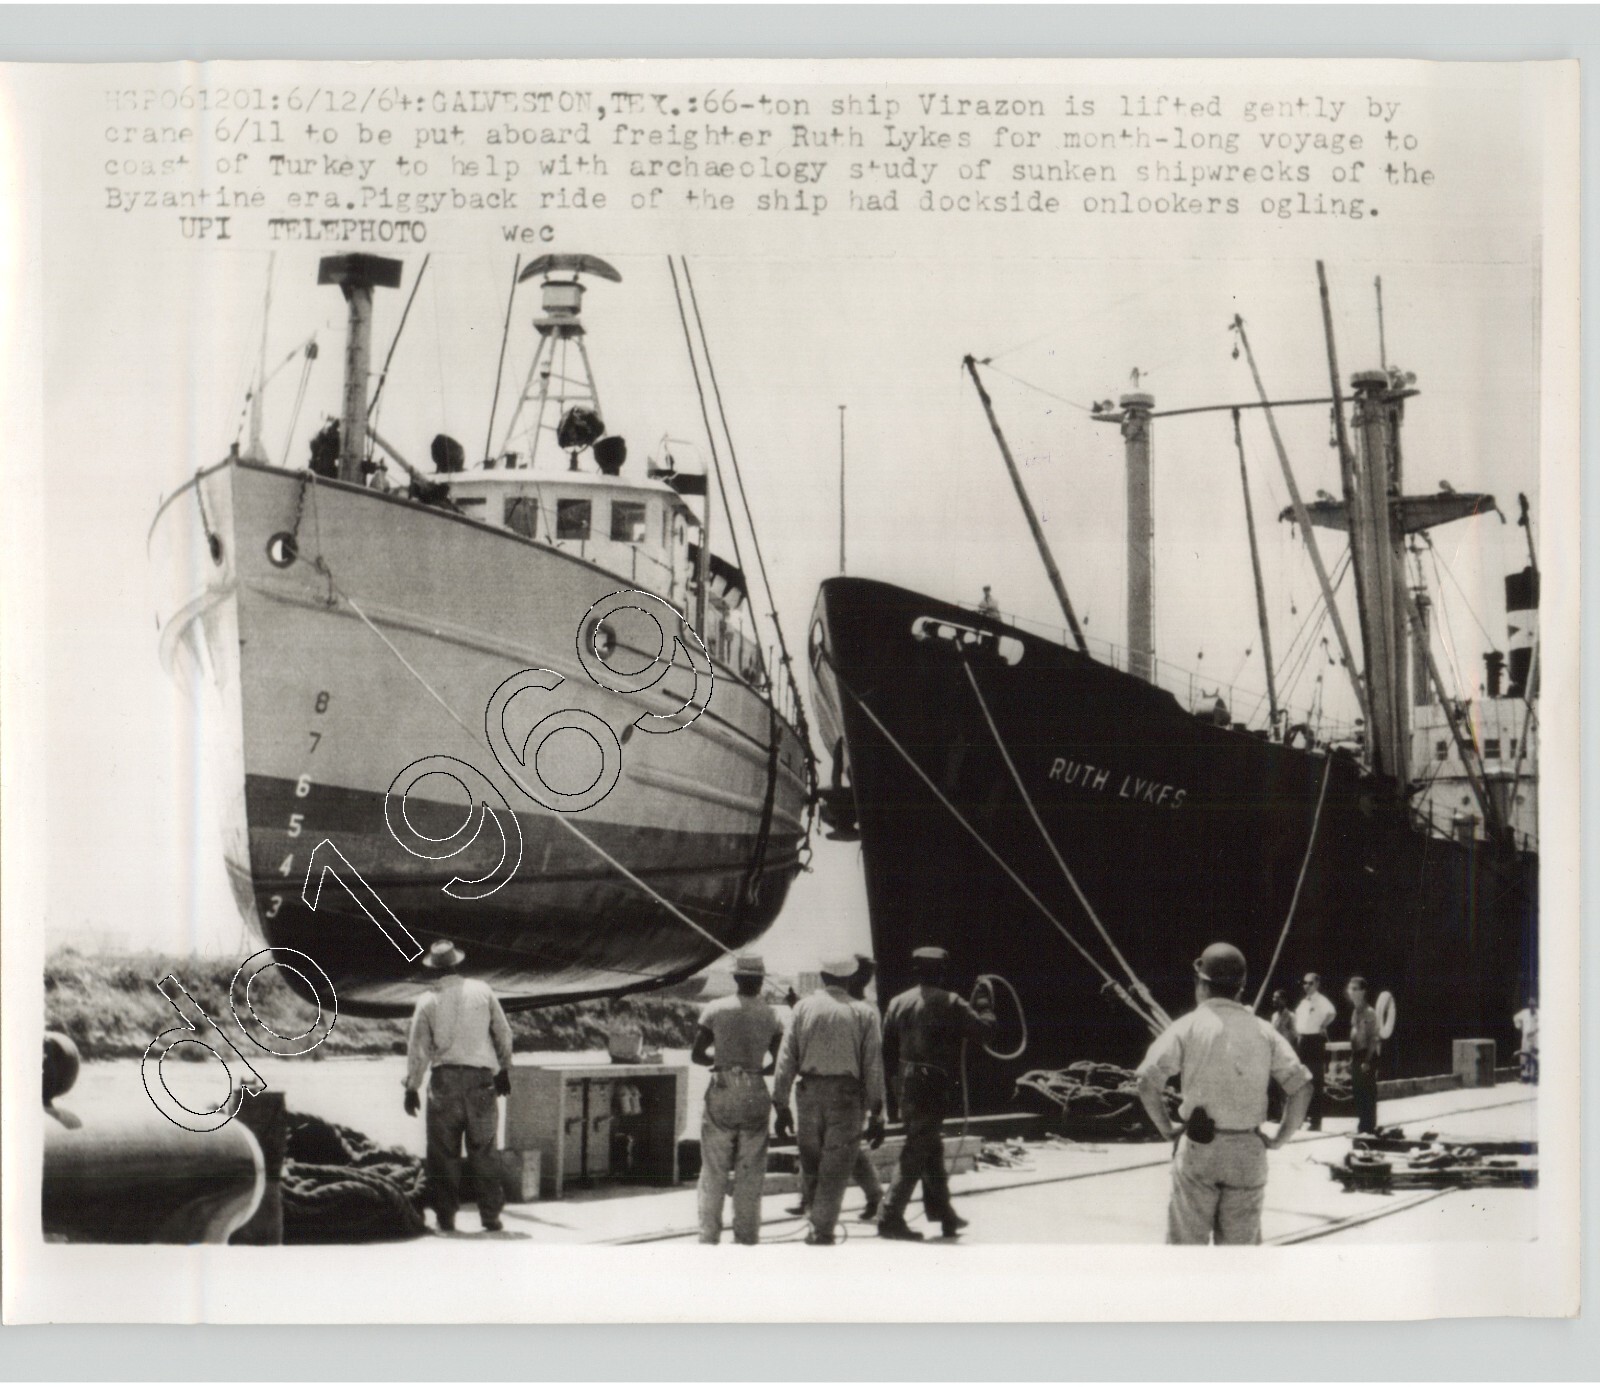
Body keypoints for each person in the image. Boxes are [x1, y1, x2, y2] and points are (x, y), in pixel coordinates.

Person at [1135, 942, 1313, 1245]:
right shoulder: (1263, 1030)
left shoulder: (1187, 1026)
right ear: (1241, 987)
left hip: (1198, 1149)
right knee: (1240, 1260)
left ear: (1201, 985)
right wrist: (1279, 1138)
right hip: (1247, 1151)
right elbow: (1303, 1087)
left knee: (1185, 1256)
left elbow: (1145, 1081)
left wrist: (1168, 1129)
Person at [878, 946, 996, 1241]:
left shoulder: (897, 1002)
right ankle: (889, 1217)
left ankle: (944, 1214)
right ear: (942, 972)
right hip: (932, 1085)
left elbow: (887, 1051)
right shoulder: (952, 1002)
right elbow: (985, 1032)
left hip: (906, 1084)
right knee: (918, 1149)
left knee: (930, 1147)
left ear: (916, 972)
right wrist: (984, 1003)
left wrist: (892, 1095)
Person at [773, 955, 887, 1245]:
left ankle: (816, 1223)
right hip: (847, 1098)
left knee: (811, 1164)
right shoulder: (863, 1012)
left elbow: (786, 1059)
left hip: (808, 1095)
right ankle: (821, 1230)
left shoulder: (801, 1008)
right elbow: (873, 1066)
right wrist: (878, 1113)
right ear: (849, 978)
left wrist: (781, 1104)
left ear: (822, 977)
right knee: (835, 1168)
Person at [404, 940, 514, 1234]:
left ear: (434, 970)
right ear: (457, 964)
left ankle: (446, 1219)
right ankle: (491, 1218)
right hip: (481, 1081)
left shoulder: (427, 1001)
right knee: (485, 1151)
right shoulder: (482, 990)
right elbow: (503, 1032)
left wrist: (412, 1088)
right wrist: (503, 1068)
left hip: (445, 1083)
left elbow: (419, 1050)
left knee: (443, 1155)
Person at [691, 954, 783, 1245]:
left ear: (735, 978)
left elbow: (696, 1054)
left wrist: (720, 1061)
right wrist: (756, 1068)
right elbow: (778, 1062)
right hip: (755, 1087)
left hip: (723, 1086)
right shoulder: (771, 1014)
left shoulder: (715, 1009)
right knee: (751, 1171)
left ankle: (708, 1237)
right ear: (761, 979)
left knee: (713, 1168)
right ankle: (746, 1237)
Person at [1292, 971, 1337, 1130]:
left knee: (1316, 1080)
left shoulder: (1321, 1000)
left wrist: (1323, 1026)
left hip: (1314, 1041)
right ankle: (1304, 1117)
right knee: (1303, 1079)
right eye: (1304, 983)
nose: (1306, 986)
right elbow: (1298, 1020)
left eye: (1310, 983)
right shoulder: (1304, 1002)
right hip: (1303, 1041)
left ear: (1317, 984)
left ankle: (1316, 1121)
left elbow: (1331, 1012)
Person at [1346, 976, 1382, 1134]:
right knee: (1358, 1093)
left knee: (1367, 1093)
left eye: (1355, 989)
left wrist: (1367, 1060)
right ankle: (1363, 1126)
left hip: (1366, 1056)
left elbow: (1374, 1039)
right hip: (1357, 1055)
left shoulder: (1369, 1012)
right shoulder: (1355, 1011)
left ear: (1363, 991)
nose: (1351, 992)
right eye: (1350, 988)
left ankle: (1369, 1127)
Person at [1513, 995, 1539, 1083]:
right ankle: (1524, 1076)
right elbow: (1515, 1018)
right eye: (1531, 1005)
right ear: (1529, 1006)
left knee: (1533, 1056)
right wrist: (1519, 1026)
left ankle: (1532, 1075)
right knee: (1524, 1056)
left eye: (1534, 1005)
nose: (1532, 1007)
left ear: (1536, 1005)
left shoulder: (1539, 1013)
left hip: (1535, 1037)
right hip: (1526, 1038)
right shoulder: (1524, 1013)